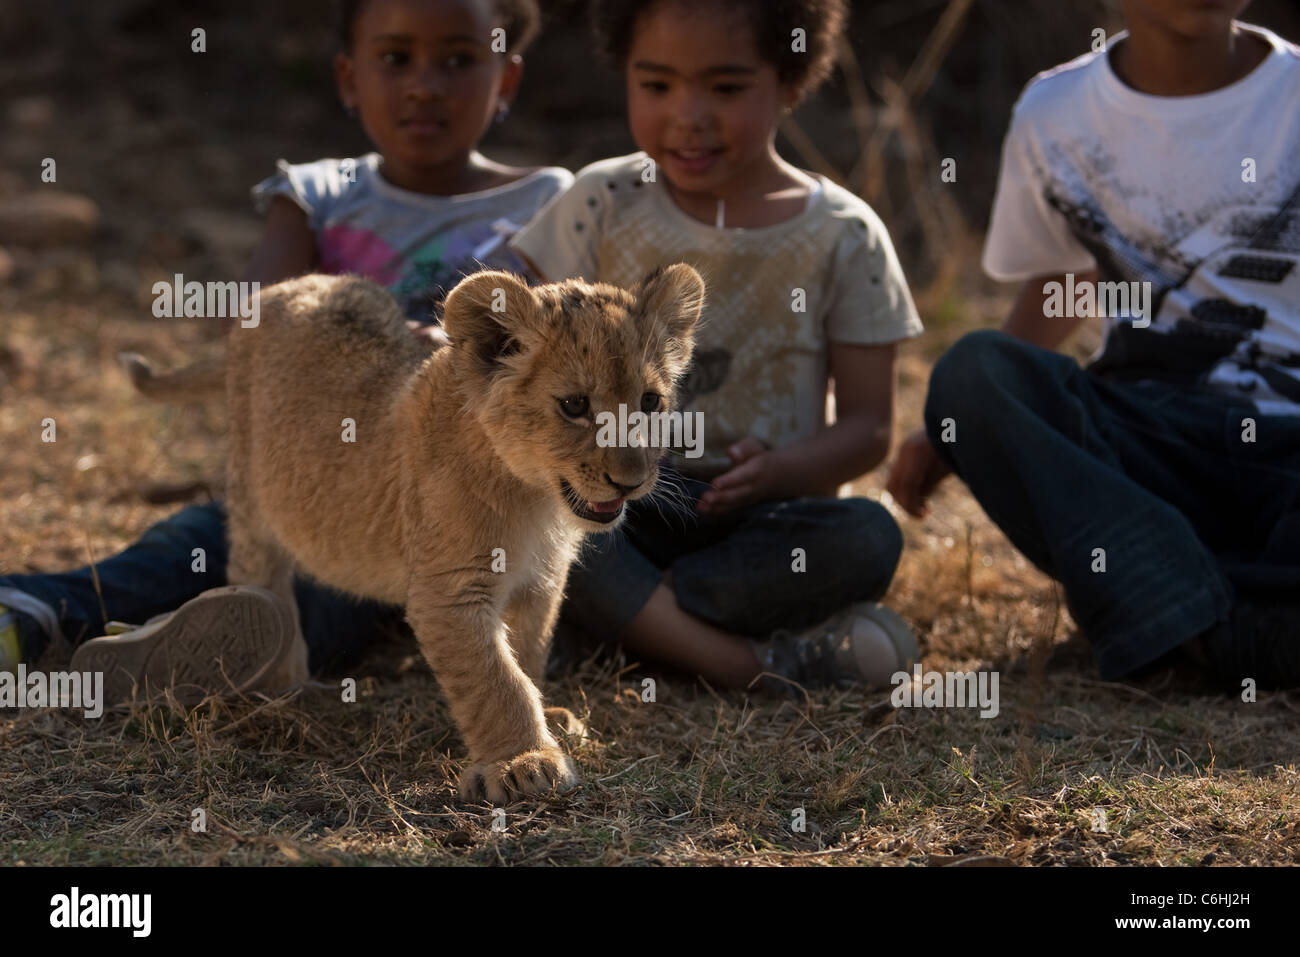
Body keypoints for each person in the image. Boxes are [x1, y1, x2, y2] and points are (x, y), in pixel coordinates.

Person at [0, 0, 570, 699]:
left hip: (482, 497)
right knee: (217, 545)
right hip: (343, 474)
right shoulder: (317, 192)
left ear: (506, 80)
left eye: (458, 60)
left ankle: (177, 655)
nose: (425, 85)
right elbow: (253, 323)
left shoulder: (550, 200)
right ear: (347, 78)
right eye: (395, 60)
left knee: (365, 603)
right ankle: (36, 614)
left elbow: (566, 349)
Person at [510, 0, 923, 694]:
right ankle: (745, 663)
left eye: (726, 88)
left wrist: (783, 469)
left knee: (868, 537)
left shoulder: (846, 235)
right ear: (624, 75)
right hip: (616, 496)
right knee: (556, 525)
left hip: (760, 517)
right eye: (656, 84)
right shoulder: (599, 201)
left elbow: (868, 428)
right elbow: (523, 362)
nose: (688, 115)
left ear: (791, 80)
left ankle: (626, 622)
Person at [886, 1, 1300, 689]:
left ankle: (1194, 620)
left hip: (1289, 450)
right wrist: (953, 428)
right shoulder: (1056, 112)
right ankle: (1221, 614)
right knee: (972, 371)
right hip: (1144, 450)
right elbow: (1067, 280)